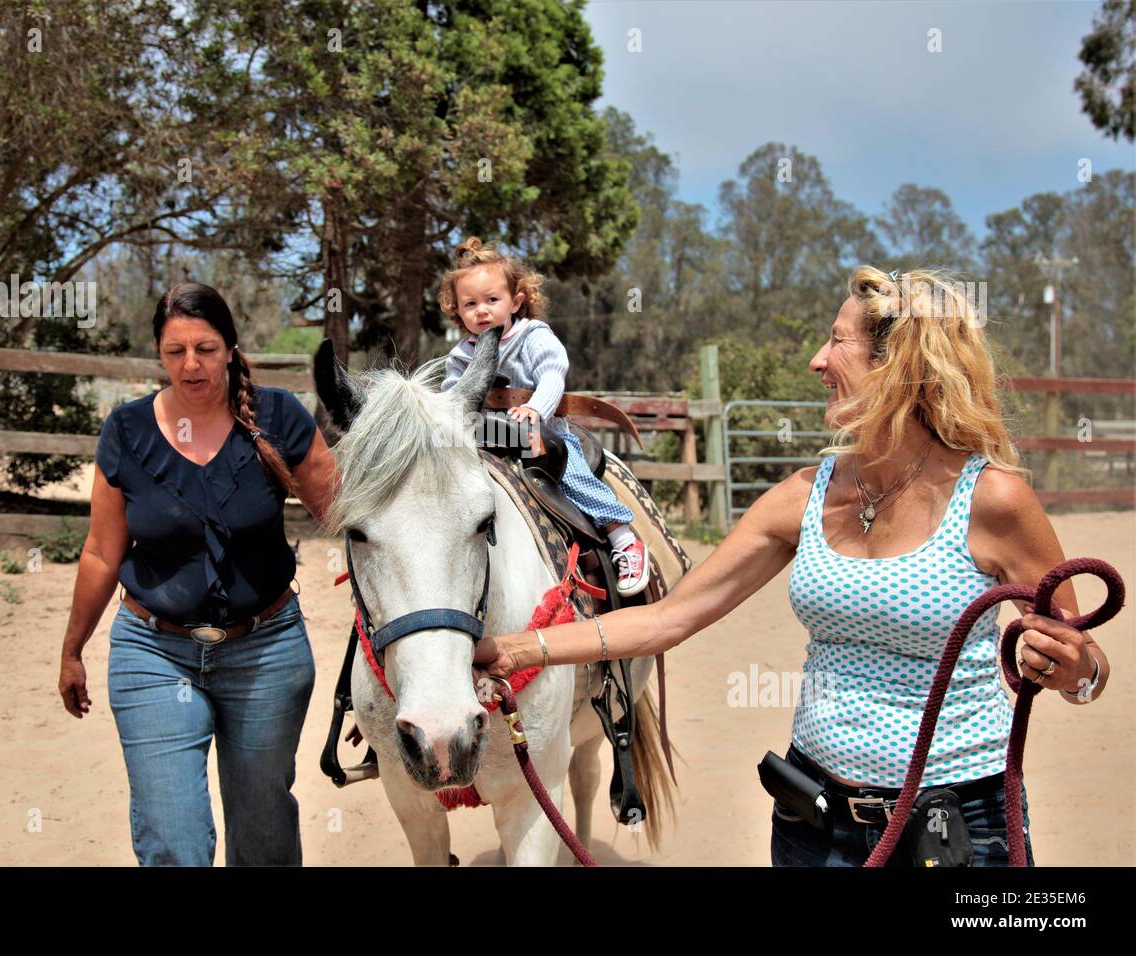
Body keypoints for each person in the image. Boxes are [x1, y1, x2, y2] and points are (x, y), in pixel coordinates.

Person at [473, 266, 1116, 866]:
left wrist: (1070, 669)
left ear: (899, 367)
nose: (817, 361)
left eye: (837, 343)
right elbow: (670, 618)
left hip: (957, 826)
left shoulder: (994, 500)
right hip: (812, 820)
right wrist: (512, 649)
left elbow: (1082, 661)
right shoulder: (802, 496)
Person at [57, 282, 337, 866]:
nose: (191, 365)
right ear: (159, 355)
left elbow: (347, 516)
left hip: (267, 651)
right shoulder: (126, 432)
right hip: (153, 652)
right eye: (175, 351)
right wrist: (73, 648)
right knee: (175, 839)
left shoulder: (278, 417)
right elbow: (102, 553)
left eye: (206, 348)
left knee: (263, 832)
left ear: (231, 348)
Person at [439, 236, 652, 596]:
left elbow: (553, 374)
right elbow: (452, 398)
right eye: (470, 304)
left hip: (540, 435)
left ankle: (621, 536)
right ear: (457, 311)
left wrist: (535, 408)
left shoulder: (533, 337)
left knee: (570, 474)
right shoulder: (460, 356)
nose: (482, 311)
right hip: (487, 438)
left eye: (492, 300)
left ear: (515, 301)